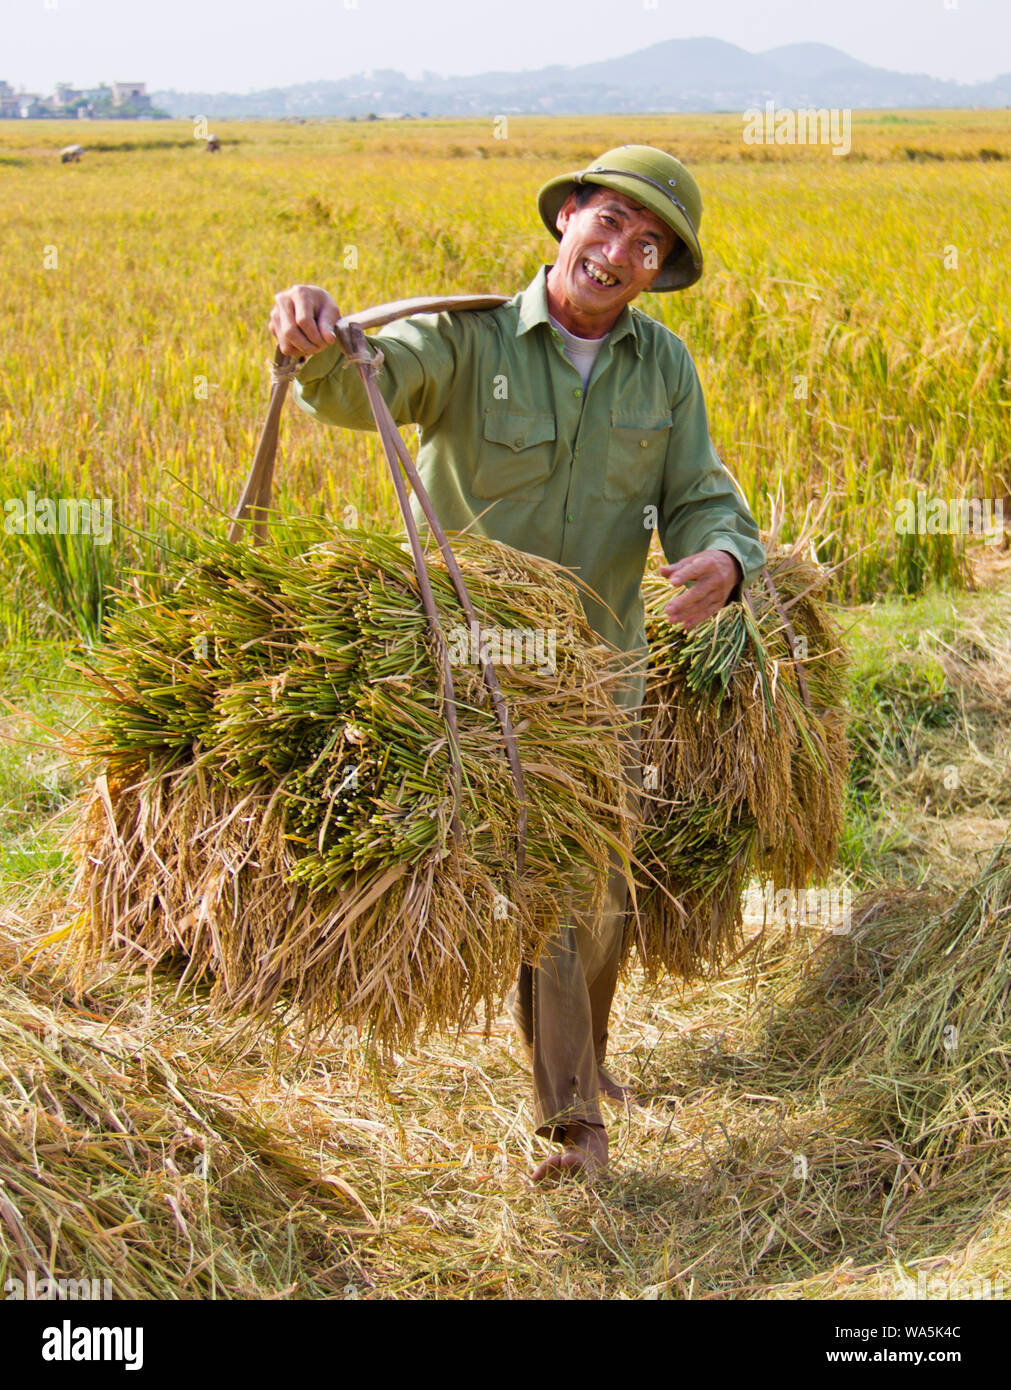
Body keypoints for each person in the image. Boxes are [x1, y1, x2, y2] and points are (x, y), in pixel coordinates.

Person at [269, 144, 766, 1183]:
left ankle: (574, 1102)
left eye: (647, 245)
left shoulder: (660, 366)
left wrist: (722, 554)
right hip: (469, 671)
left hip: (596, 676)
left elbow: (697, 491)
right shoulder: (464, 338)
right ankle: (575, 1096)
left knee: (587, 884)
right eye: (608, 223)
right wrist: (314, 334)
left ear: (654, 270)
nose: (619, 252)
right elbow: (360, 388)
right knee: (540, 881)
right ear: (565, 218)